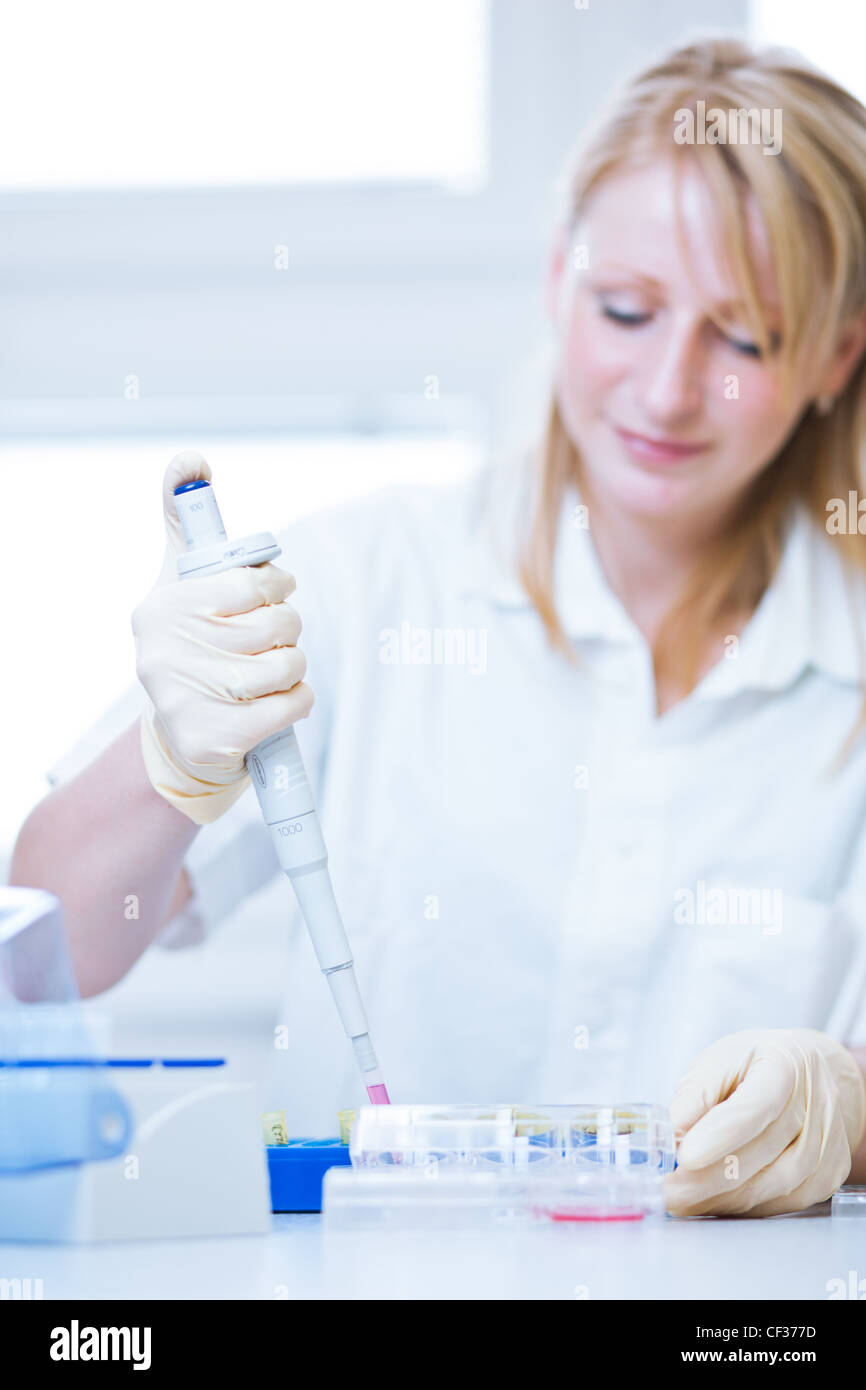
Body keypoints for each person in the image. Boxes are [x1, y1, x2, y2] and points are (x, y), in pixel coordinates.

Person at [11, 35, 866, 1216]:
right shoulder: (365, 583)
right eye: (625, 309)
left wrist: (850, 1114)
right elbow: (56, 951)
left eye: (744, 338)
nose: (668, 388)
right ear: (556, 277)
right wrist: (170, 764)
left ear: (835, 354)